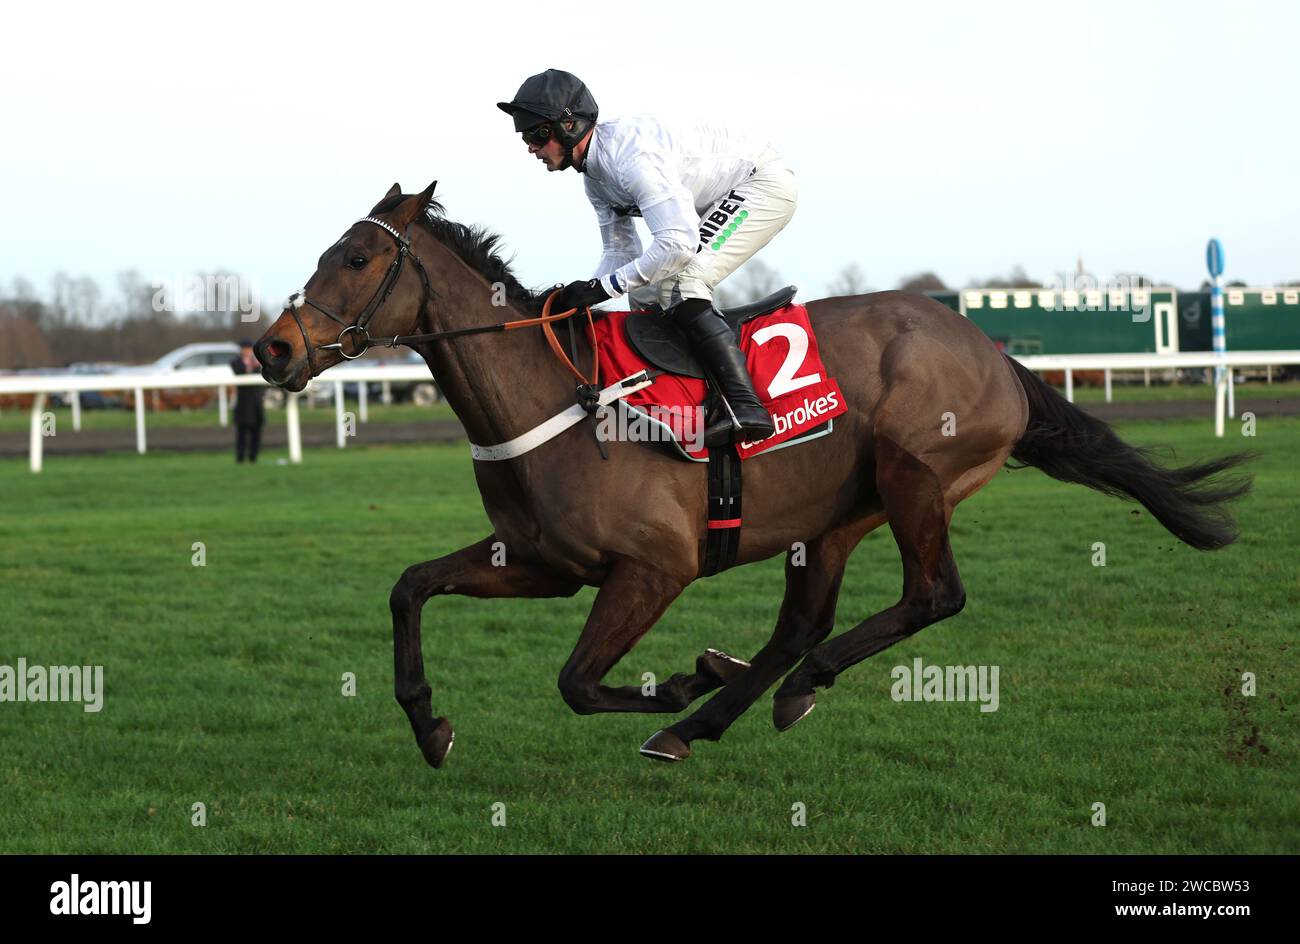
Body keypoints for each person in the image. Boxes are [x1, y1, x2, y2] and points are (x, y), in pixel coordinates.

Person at [497, 69, 798, 446]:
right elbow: (621, 253)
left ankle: (745, 405)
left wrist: (602, 288)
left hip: (760, 183)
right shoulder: (594, 179)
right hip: (717, 196)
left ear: (569, 125)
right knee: (643, 295)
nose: (530, 147)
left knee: (679, 281)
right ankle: (680, 400)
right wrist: (585, 292)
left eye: (536, 134)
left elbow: (677, 244)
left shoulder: (630, 158)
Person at [230, 339, 266, 463]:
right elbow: (239, 372)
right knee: (242, 433)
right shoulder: (236, 362)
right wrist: (249, 365)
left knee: (256, 433)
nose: (246, 351)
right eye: (244, 349)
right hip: (243, 403)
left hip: (256, 402)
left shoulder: (259, 362)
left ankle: (253, 457)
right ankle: (240, 458)